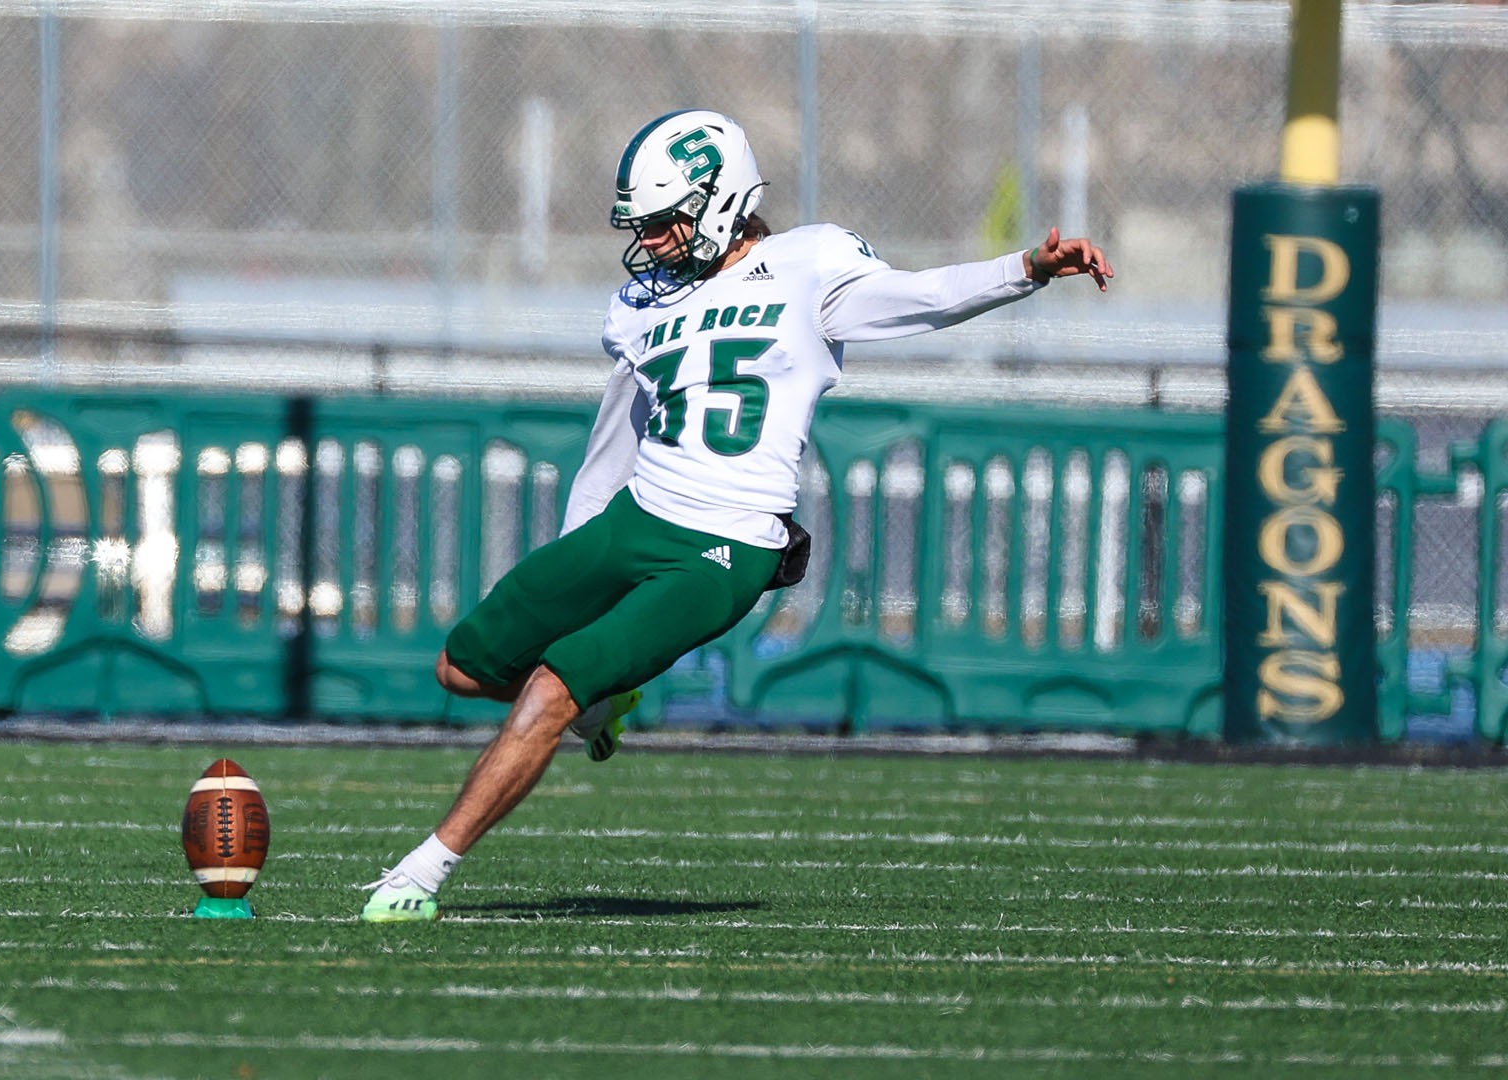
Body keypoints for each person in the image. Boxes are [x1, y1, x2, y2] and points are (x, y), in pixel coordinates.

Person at [361, 108, 1112, 922]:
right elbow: (614, 442)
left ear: (719, 202)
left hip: (723, 545)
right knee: (463, 669)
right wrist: (582, 550)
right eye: (641, 226)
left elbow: (921, 296)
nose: (648, 242)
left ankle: (421, 873)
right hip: (636, 518)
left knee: (551, 689)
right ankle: (607, 699)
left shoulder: (810, 263)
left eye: (662, 223)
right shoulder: (640, 306)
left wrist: (1026, 268)